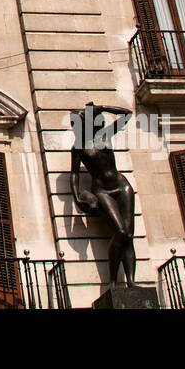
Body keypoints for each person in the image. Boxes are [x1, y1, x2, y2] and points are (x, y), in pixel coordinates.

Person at [69, 102, 137, 286]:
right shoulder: (78, 147)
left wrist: (103, 107)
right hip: (102, 191)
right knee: (121, 231)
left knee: (129, 235)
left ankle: (131, 281)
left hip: (122, 186)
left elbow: (127, 114)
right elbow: (74, 174)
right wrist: (76, 198)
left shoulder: (104, 135)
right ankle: (113, 281)